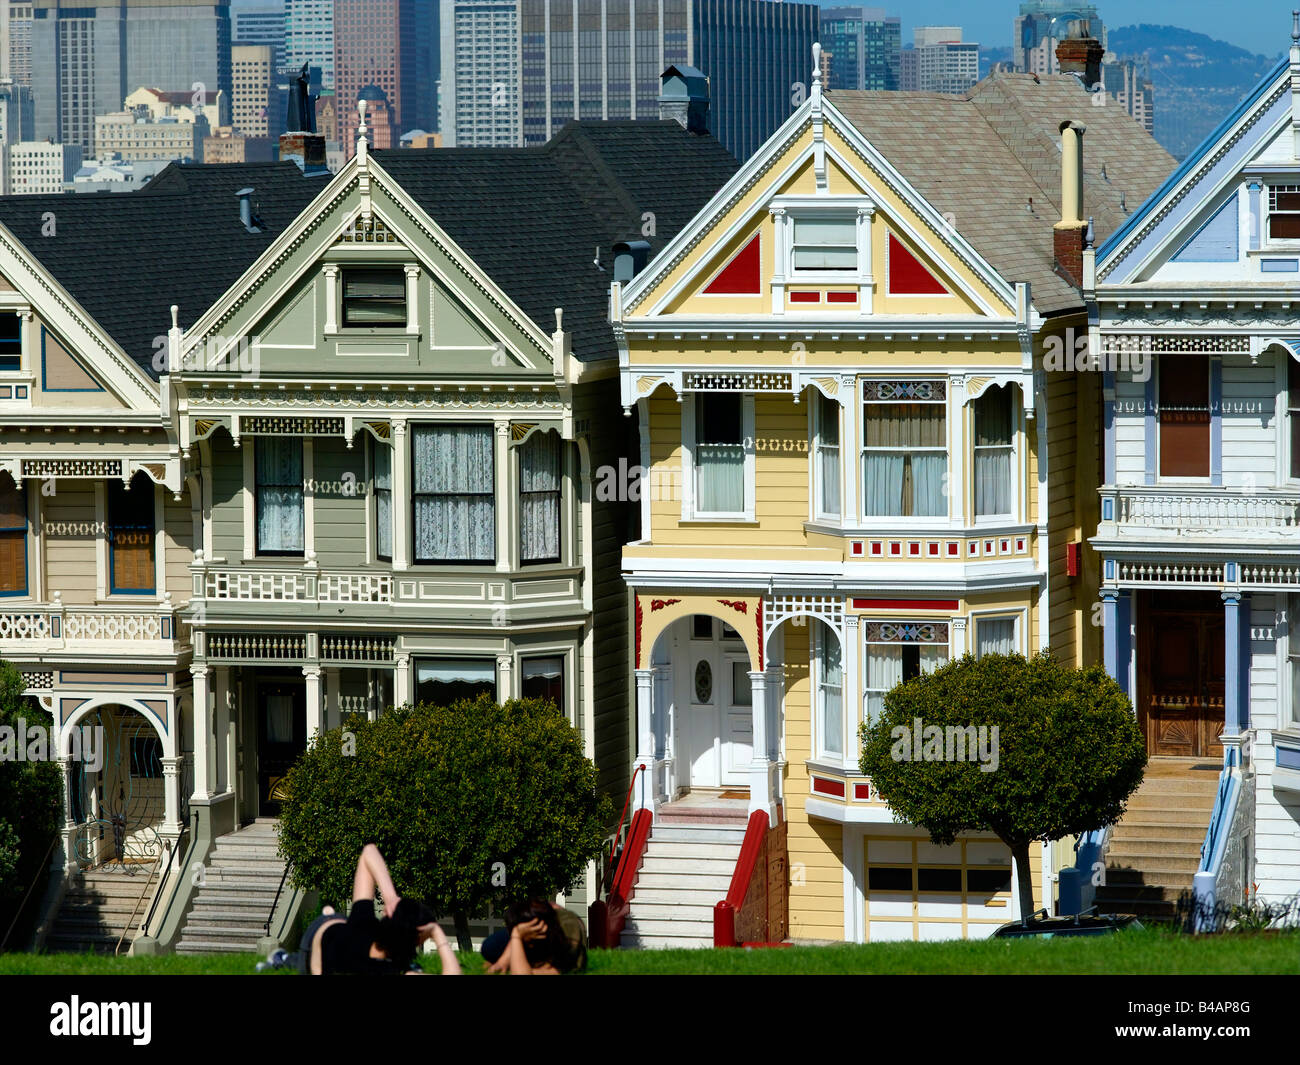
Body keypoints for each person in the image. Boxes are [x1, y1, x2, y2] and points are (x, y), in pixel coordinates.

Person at [266, 843, 460, 975]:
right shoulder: (385, 967)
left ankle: (284, 957)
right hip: (316, 938)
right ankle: (283, 959)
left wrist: (390, 896)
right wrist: (437, 932)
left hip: (334, 929)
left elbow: (369, 851)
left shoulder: (367, 929)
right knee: (302, 962)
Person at [482, 898, 587, 974]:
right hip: (544, 919)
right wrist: (503, 960)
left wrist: (517, 936)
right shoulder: (538, 923)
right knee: (490, 947)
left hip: (553, 932)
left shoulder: (568, 943)